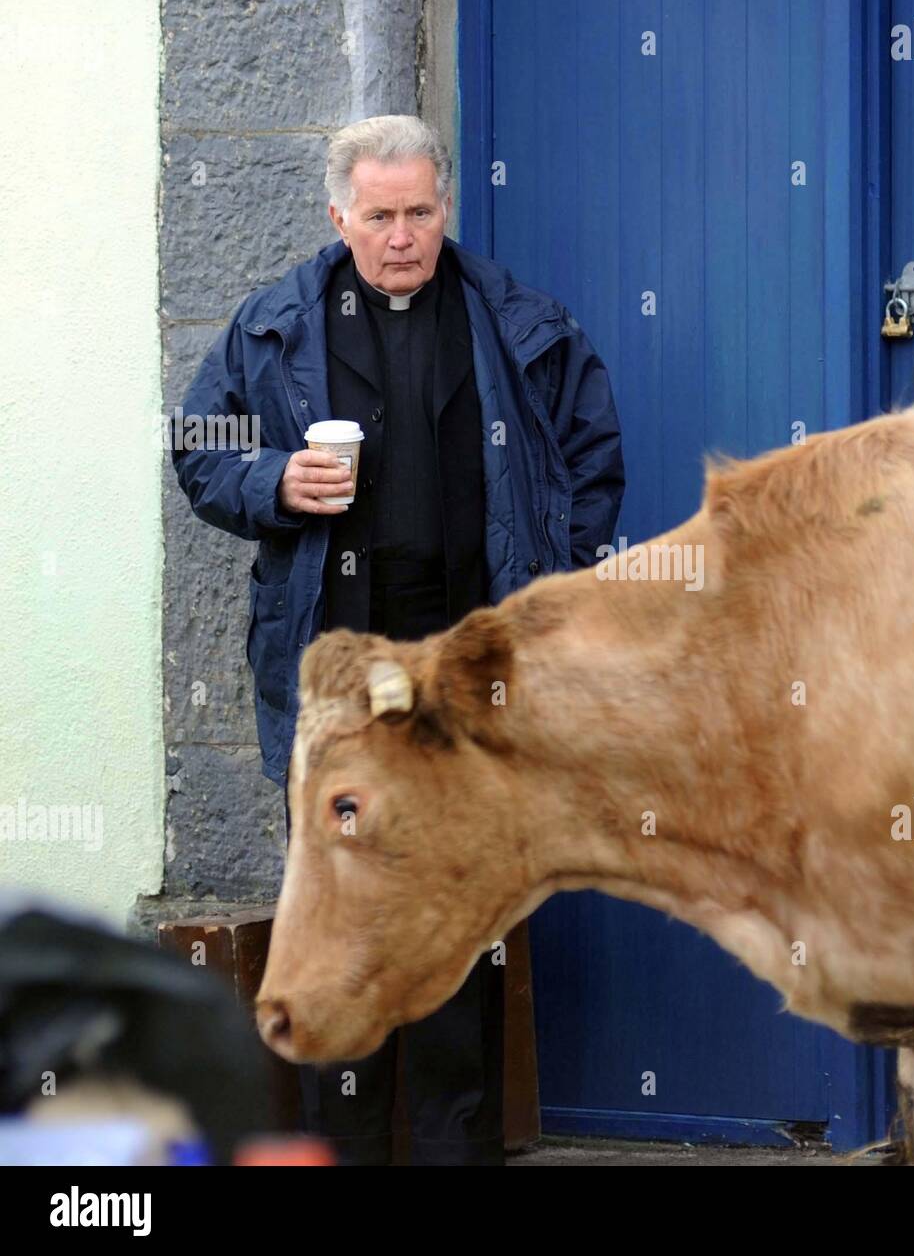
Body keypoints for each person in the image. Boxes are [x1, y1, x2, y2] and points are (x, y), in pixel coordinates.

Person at [172, 114, 625, 1164]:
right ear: (339, 215)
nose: (402, 235)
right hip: (336, 666)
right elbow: (199, 446)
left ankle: (457, 1146)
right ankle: (346, 1145)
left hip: (462, 667)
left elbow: (592, 461)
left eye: (420, 211)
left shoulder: (517, 321)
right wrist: (273, 480)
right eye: (379, 216)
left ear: (444, 207)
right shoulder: (272, 323)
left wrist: (554, 590)